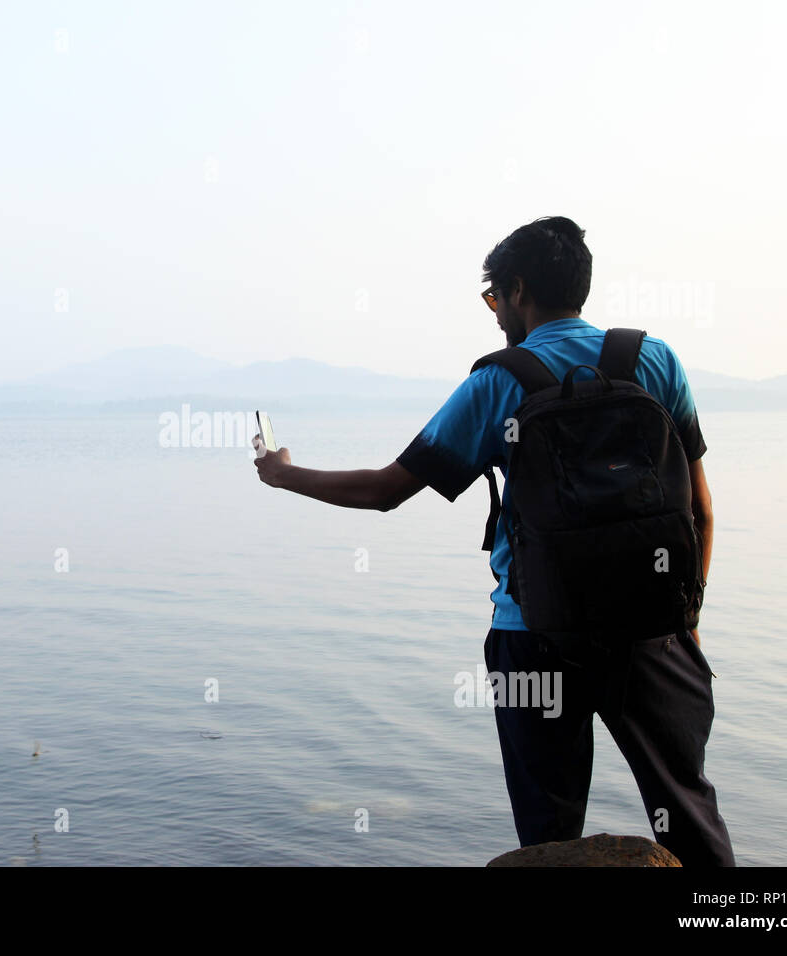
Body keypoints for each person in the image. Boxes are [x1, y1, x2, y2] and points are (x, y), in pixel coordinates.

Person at [251, 216, 735, 866]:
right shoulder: (655, 359)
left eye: (494, 299)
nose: (496, 314)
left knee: (547, 834)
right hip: (652, 632)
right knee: (688, 816)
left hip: (533, 634)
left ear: (518, 289)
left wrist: (283, 475)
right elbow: (700, 508)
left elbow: (387, 489)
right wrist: (688, 619)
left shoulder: (499, 382)